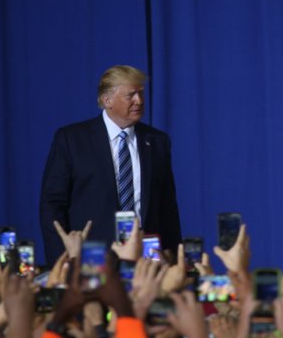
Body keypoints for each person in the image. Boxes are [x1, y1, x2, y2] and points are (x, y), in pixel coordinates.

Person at [39, 65, 182, 262]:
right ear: (107, 100)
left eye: (140, 94)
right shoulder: (72, 140)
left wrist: (173, 256)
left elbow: (167, 207)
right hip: (91, 258)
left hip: (146, 259)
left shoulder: (157, 141)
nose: (139, 101)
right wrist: (62, 260)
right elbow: (52, 204)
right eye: (130, 95)